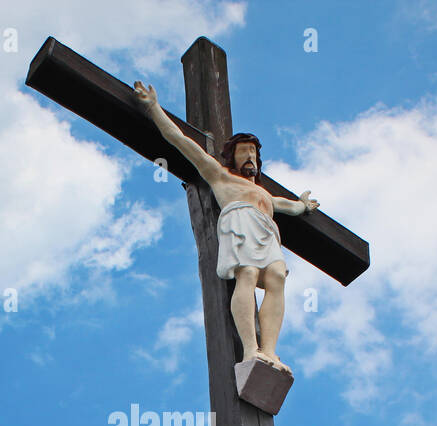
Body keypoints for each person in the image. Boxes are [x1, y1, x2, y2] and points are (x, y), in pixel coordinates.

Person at [133, 81, 318, 375]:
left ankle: (269, 350)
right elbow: (180, 141)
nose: (250, 158)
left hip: (268, 232)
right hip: (240, 224)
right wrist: (154, 108)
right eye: (244, 152)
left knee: (276, 278)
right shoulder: (220, 177)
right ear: (232, 156)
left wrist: (303, 205)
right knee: (246, 273)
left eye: (254, 153)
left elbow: (292, 207)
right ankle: (250, 349)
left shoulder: (266, 196)